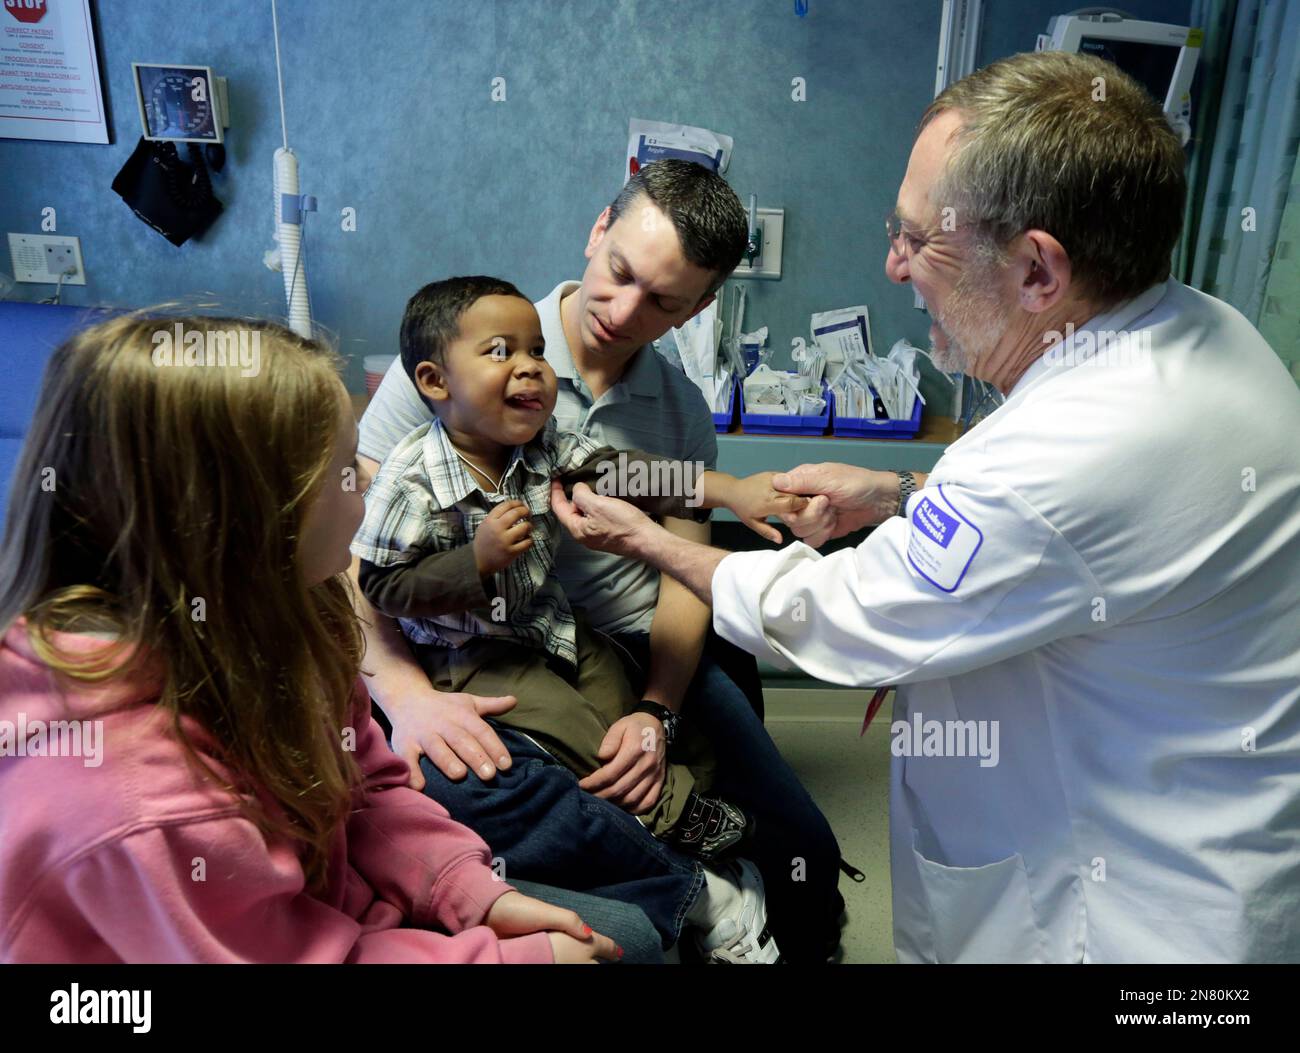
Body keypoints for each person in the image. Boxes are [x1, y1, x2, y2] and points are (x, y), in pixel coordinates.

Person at [548, 50, 1300, 963]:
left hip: (1124, 917)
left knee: (795, 839)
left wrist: (651, 550)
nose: (894, 267)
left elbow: (847, 609)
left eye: (918, 238)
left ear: (1037, 270)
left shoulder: (1068, 450)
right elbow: (1056, 524)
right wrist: (901, 490)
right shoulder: (1206, 330)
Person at [0, 313, 659, 963]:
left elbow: (362, 784)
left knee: (627, 933)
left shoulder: (295, 616)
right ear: (252, 517)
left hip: (336, 906)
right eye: (348, 471)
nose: (371, 481)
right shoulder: (144, 811)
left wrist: (464, 886)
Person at [355, 160, 844, 961]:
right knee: (538, 793)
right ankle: (686, 889)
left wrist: (658, 711)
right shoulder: (466, 349)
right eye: (619, 274)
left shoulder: (676, 407)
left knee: (805, 859)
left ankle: (727, 884)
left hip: (626, 644)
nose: (623, 312)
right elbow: (360, 557)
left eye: (664, 302)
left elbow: (683, 559)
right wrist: (404, 694)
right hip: (477, 645)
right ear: (597, 232)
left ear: (703, 305)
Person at [353, 275, 800, 874]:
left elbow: (624, 473)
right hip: (476, 655)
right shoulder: (408, 479)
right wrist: (475, 563)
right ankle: (673, 816)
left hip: (552, 626)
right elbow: (381, 585)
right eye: (500, 353)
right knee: (571, 727)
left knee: (622, 699)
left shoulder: (540, 444)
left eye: (536, 350)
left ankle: (683, 786)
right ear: (435, 382)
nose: (530, 368)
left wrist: (731, 492)